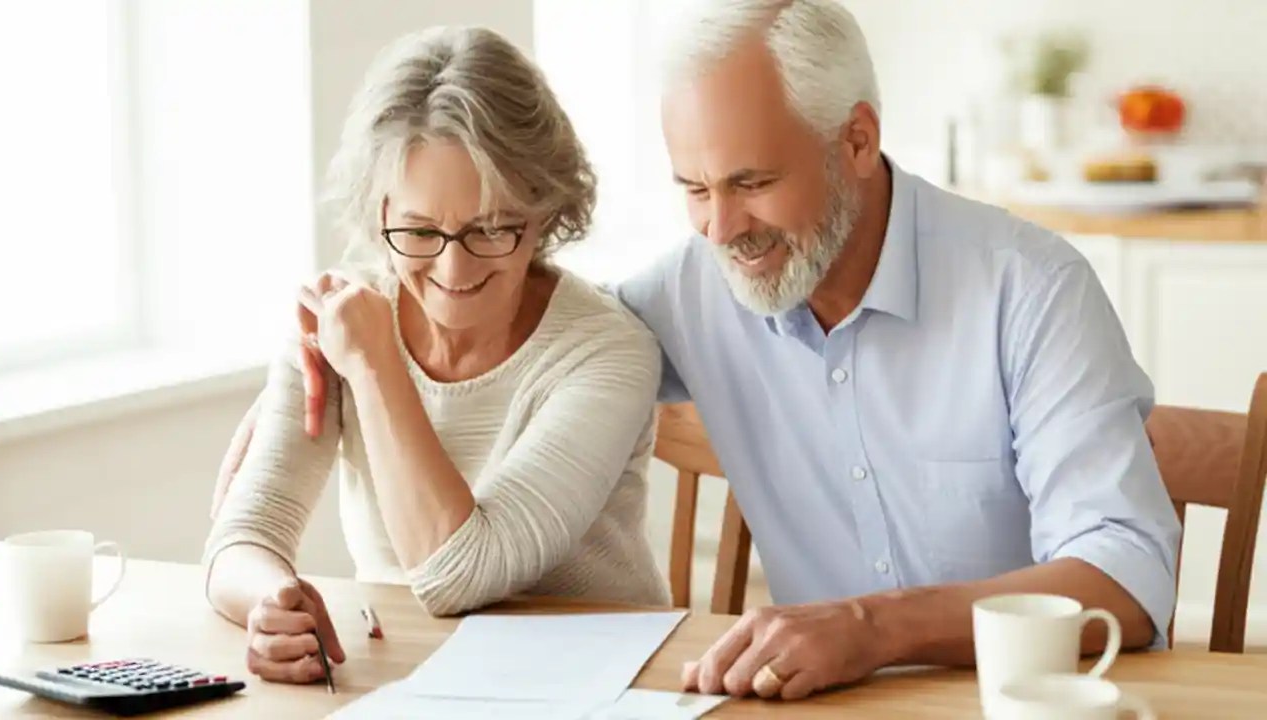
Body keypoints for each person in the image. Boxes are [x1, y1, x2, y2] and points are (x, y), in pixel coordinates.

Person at [215, 0, 1181, 701]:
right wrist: (307, 373)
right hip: (810, 706)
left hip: (1020, 703)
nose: (722, 230)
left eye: (752, 182)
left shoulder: (1030, 289)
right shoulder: (689, 291)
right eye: (693, 188)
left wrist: (870, 627)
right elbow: (529, 333)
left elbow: (1127, 577)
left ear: (856, 140)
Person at [203, 26, 668, 686]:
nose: (454, 269)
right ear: (380, 212)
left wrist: (374, 367)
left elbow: (460, 575)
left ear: (542, 210)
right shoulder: (345, 318)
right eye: (420, 231)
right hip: (409, 679)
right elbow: (241, 537)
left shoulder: (606, 350)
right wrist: (271, 604)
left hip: (604, 684)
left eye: (491, 228)